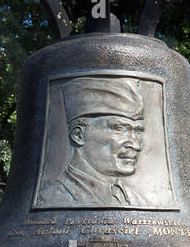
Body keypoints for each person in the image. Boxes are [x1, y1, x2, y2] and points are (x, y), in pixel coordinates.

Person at [36, 76, 152, 207]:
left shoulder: (138, 201)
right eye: (119, 128)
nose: (136, 145)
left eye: (138, 131)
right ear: (78, 135)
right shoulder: (50, 198)